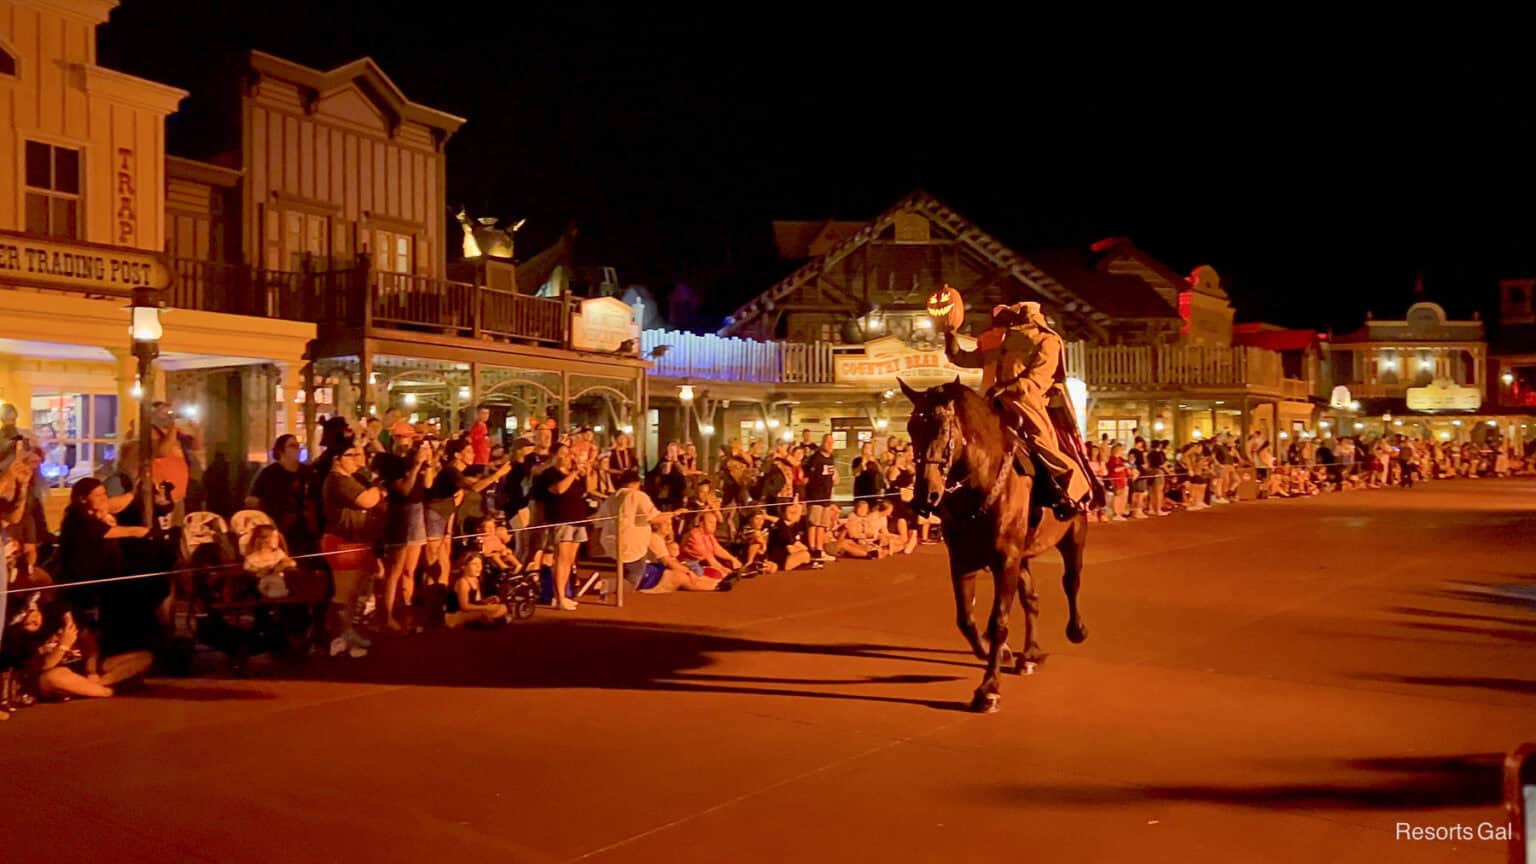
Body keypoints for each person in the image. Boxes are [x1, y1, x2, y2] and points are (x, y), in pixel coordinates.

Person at [945, 300, 1092, 517]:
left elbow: (1036, 381)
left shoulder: (1047, 341)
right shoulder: (1004, 341)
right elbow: (963, 358)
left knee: (1039, 443)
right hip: (994, 403)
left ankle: (1064, 490)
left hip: (1026, 404)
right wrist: (950, 334)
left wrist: (1006, 388)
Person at [595, 470, 722, 593]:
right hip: (631, 544)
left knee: (629, 574)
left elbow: (598, 521)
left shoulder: (612, 498)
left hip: (612, 542)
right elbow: (655, 517)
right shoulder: (638, 495)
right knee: (633, 580)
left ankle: (717, 585)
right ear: (636, 483)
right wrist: (674, 513)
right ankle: (605, 585)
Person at [322, 445, 382, 657]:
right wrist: (377, 488)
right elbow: (368, 500)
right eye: (350, 455)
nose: (356, 459)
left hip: (357, 539)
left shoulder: (352, 478)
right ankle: (337, 636)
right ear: (337, 459)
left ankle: (348, 631)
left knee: (355, 592)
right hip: (342, 540)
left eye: (358, 454)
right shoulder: (338, 481)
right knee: (344, 593)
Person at [375, 422, 434, 632]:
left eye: (408, 438)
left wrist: (429, 464)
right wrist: (416, 466)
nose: (405, 442)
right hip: (400, 513)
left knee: (410, 569)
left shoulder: (412, 457)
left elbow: (427, 485)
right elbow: (404, 490)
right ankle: (387, 615)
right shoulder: (389, 462)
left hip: (417, 511)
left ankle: (406, 610)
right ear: (393, 439)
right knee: (395, 570)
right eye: (401, 438)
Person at [532, 443, 591, 610]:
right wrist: (573, 473)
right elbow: (558, 489)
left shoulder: (575, 475)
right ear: (555, 456)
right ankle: (559, 596)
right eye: (563, 453)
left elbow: (587, 490)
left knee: (570, 560)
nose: (567, 457)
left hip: (577, 519)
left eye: (569, 453)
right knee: (562, 559)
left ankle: (564, 593)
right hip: (561, 519)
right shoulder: (550, 474)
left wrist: (587, 471)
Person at [246, 434, 315, 553]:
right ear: (281, 450)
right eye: (292, 446)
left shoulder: (307, 472)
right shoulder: (269, 473)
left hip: (305, 530)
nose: (297, 449)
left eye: (298, 446)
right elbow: (251, 500)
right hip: (278, 528)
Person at [445, 553, 509, 628]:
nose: (479, 567)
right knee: (483, 613)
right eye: (474, 564)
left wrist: (487, 601)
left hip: (470, 611)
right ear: (464, 567)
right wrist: (486, 608)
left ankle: (490, 620)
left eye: (480, 564)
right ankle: (490, 620)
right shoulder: (463, 582)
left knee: (503, 607)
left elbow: (475, 602)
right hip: (456, 615)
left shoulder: (476, 580)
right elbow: (464, 606)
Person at [802, 434, 838, 560]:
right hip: (815, 495)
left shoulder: (831, 458)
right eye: (827, 442)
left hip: (826, 495)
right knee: (814, 523)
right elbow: (807, 476)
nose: (830, 444)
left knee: (822, 524)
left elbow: (832, 474)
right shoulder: (815, 458)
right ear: (822, 443)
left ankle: (819, 548)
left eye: (831, 442)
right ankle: (812, 549)